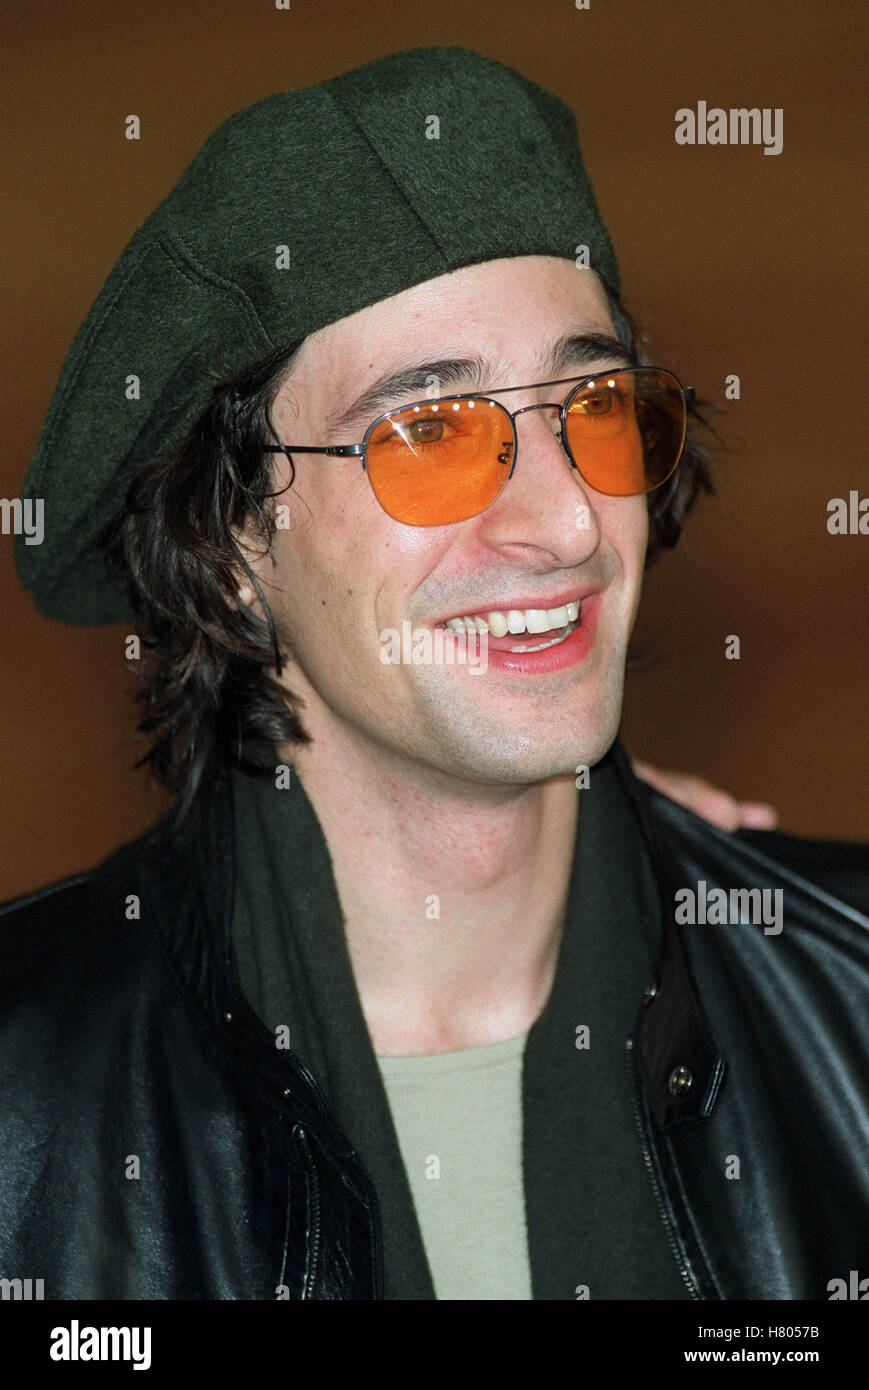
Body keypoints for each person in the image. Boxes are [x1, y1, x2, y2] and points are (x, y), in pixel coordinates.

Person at [2, 47, 867, 1302]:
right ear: (232, 538)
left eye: (593, 403)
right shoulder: (32, 1097)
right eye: (429, 433)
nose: (567, 524)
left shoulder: (839, 998)